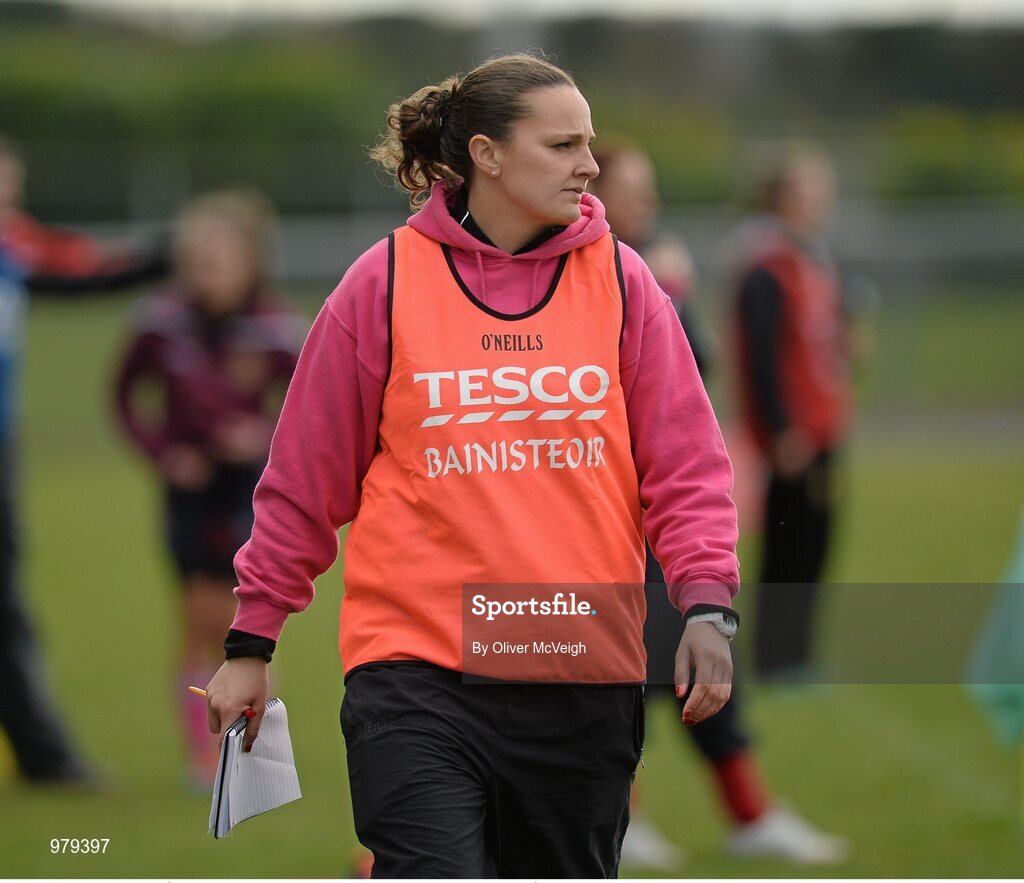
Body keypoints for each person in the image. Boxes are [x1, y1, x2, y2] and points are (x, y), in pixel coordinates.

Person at [205, 53, 740, 878]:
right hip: (415, 670)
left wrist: (707, 605)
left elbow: (688, 467)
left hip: (580, 661)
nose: (590, 165)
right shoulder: (380, 283)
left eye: (588, 144)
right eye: (562, 145)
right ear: (486, 154)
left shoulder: (626, 284)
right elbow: (303, 480)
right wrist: (252, 639)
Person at [592, 142, 848, 866]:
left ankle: (737, 812)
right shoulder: (579, 280)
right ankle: (642, 815)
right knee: (630, 666)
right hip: (601, 512)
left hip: (658, 502)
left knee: (684, 658)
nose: (649, 202)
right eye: (634, 188)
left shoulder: (652, 269)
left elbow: (692, 368)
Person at [114, 191, 303, 787]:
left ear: (250, 260)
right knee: (195, 616)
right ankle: (203, 751)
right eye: (196, 259)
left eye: (218, 258)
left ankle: (247, 741)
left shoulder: (275, 327)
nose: (206, 270)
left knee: (239, 617)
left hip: (247, 491)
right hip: (188, 492)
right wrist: (163, 454)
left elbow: (308, 410)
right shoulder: (160, 322)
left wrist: (261, 435)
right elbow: (123, 397)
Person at [0, 134, 169, 785]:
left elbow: (85, 271)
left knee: (5, 607)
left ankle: (43, 756)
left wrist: (172, 256)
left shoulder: (15, 250)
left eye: (10, 186)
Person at [728, 143, 851, 682]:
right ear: (780, 198)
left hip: (824, 426)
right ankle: (777, 659)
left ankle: (799, 654)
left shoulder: (812, 258)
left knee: (817, 542)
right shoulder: (767, 265)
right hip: (793, 434)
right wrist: (781, 429)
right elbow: (762, 355)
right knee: (789, 544)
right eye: (808, 188)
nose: (820, 199)